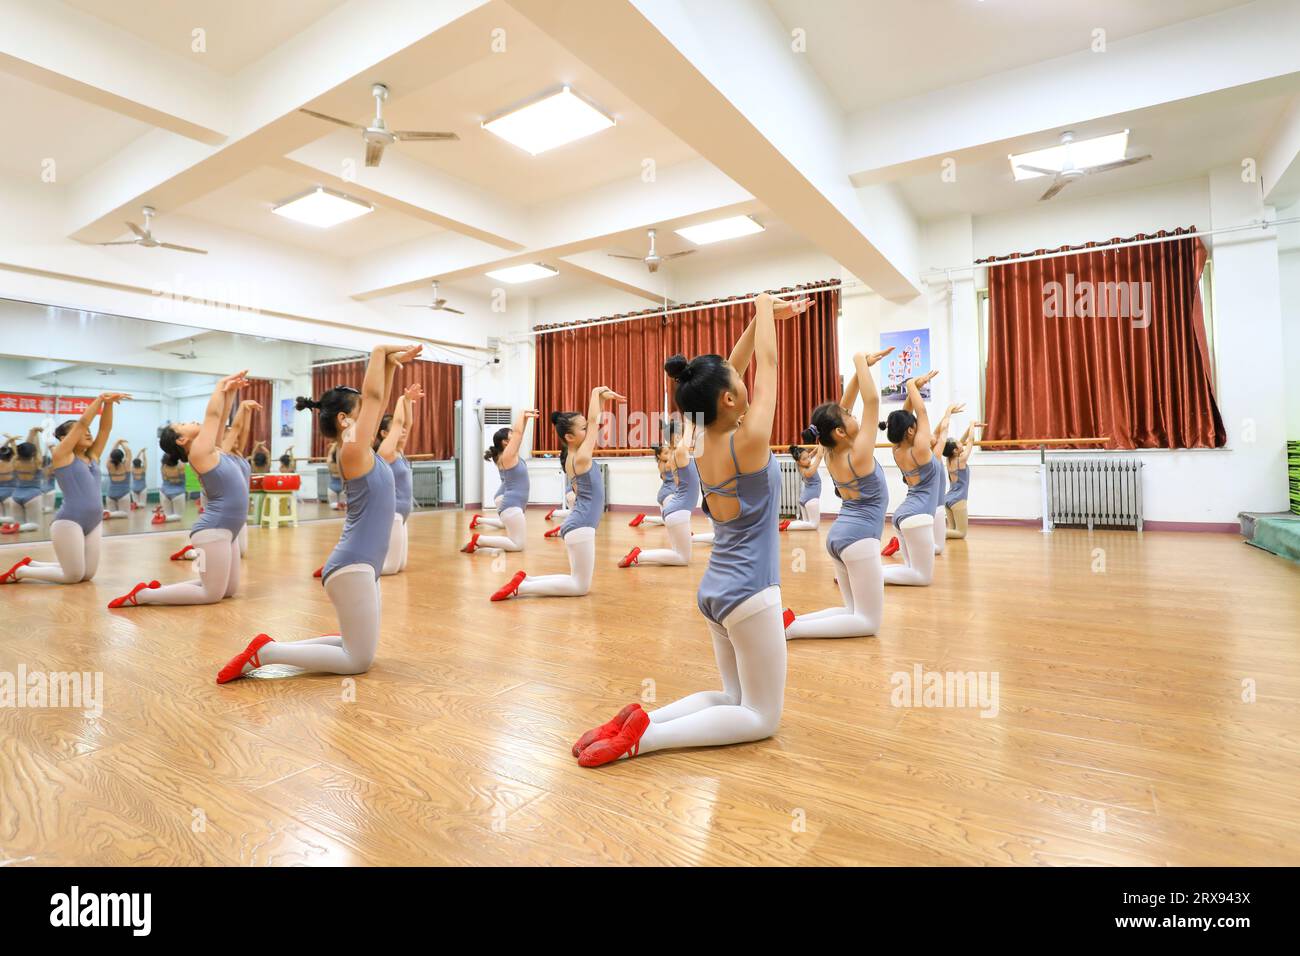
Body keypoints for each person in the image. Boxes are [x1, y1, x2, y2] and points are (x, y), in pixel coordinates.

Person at [571, 292, 811, 767]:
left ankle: (643, 721)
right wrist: (764, 305)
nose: (742, 381)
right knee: (761, 717)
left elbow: (732, 370)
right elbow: (766, 364)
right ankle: (646, 739)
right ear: (728, 399)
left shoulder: (699, 437)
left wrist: (759, 318)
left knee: (733, 697)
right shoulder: (749, 440)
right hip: (750, 592)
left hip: (716, 592)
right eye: (735, 384)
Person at [217, 343, 419, 682]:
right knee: (356, 661)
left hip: (362, 566)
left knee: (354, 648)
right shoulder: (351, 451)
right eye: (361, 412)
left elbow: (378, 400)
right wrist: (380, 352)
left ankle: (269, 647)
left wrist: (388, 365)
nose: (371, 416)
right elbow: (373, 398)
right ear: (344, 420)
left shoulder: (364, 451)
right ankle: (266, 654)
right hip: (352, 566)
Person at [107, 373, 251, 608]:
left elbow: (221, 416)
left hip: (228, 531)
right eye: (183, 425)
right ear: (182, 440)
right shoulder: (199, 453)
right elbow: (213, 415)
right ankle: (143, 596)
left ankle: (161, 590)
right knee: (211, 594)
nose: (192, 421)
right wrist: (219, 385)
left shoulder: (212, 450)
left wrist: (231, 390)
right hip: (211, 532)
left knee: (228, 591)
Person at [783, 347, 894, 640]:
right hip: (859, 539)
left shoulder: (831, 450)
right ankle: (793, 630)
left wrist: (860, 372)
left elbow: (846, 404)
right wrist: (859, 359)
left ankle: (791, 622)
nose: (851, 412)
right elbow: (872, 401)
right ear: (840, 432)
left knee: (852, 611)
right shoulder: (858, 454)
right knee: (868, 623)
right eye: (848, 416)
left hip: (842, 536)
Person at [490, 388, 624, 601]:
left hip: (579, 523)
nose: (589, 430)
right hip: (581, 524)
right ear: (569, 437)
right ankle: (522, 588)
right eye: (583, 429)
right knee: (579, 586)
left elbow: (593, 421)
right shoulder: (581, 458)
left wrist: (601, 400)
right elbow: (594, 421)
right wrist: (595, 393)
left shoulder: (573, 456)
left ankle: (528, 581)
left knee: (577, 580)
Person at [3, 393, 129, 585]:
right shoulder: (62, 455)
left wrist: (109, 405)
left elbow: (105, 429)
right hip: (69, 521)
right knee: (73, 576)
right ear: (65, 438)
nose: (88, 433)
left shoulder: (93, 456)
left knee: (87, 575)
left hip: (94, 521)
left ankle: (35, 564)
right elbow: (82, 423)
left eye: (89, 431)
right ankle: (22, 571)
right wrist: (100, 400)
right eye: (82, 431)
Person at [879, 372, 940, 587]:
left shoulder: (897, 449)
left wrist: (914, 388)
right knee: (922, 578)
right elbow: (921, 411)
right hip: (917, 515)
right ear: (911, 430)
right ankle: (864, 576)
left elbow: (907, 416)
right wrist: (912, 384)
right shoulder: (920, 449)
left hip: (906, 514)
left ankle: (863, 573)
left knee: (910, 568)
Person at [618, 419, 701, 568]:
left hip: (676, 509)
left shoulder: (677, 455)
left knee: (678, 553)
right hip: (679, 511)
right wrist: (691, 419)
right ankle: (639, 556)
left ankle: (638, 556)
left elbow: (678, 483)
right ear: (677, 436)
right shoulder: (680, 453)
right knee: (683, 559)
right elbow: (690, 430)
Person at [463, 408, 538, 555]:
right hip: (511, 506)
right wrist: (521, 414)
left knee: (516, 543)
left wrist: (525, 419)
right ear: (505, 442)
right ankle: (480, 540)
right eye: (511, 435)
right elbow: (518, 433)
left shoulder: (511, 455)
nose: (515, 437)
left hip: (513, 506)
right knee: (517, 545)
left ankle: (480, 541)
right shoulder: (507, 457)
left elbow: (519, 434)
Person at [379, 383, 423, 574]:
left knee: (401, 566)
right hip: (393, 513)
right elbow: (398, 422)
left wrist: (408, 402)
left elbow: (406, 424)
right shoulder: (386, 452)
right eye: (397, 430)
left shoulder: (399, 451)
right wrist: (401, 399)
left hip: (402, 515)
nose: (403, 431)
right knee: (390, 568)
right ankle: (353, 567)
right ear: (384, 434)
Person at [944, 421, 981, 539]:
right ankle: (934, 533)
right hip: (958, 500)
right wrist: (972, 424)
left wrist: (970, 427)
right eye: (958, 443)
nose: (961, 443)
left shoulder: (949, 459)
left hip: (948, 499)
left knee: (952, 530)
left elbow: (962, 441)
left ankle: (939, 537)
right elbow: (971, 440)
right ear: (955, 450)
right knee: (961, 533)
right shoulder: (962, 459)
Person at [779, 443, 824, 533]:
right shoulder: (806, 471)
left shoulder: (803, 464)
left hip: (805, 498)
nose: (808, 459)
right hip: (810, 499)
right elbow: (819, 457)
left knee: (806, 524)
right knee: (814, 525)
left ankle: (786, 524)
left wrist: (821, 443)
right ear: (798, 462)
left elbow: (813, 453)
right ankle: (787, 525)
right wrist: (823, 442)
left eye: (808, 457)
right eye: (804, 459)